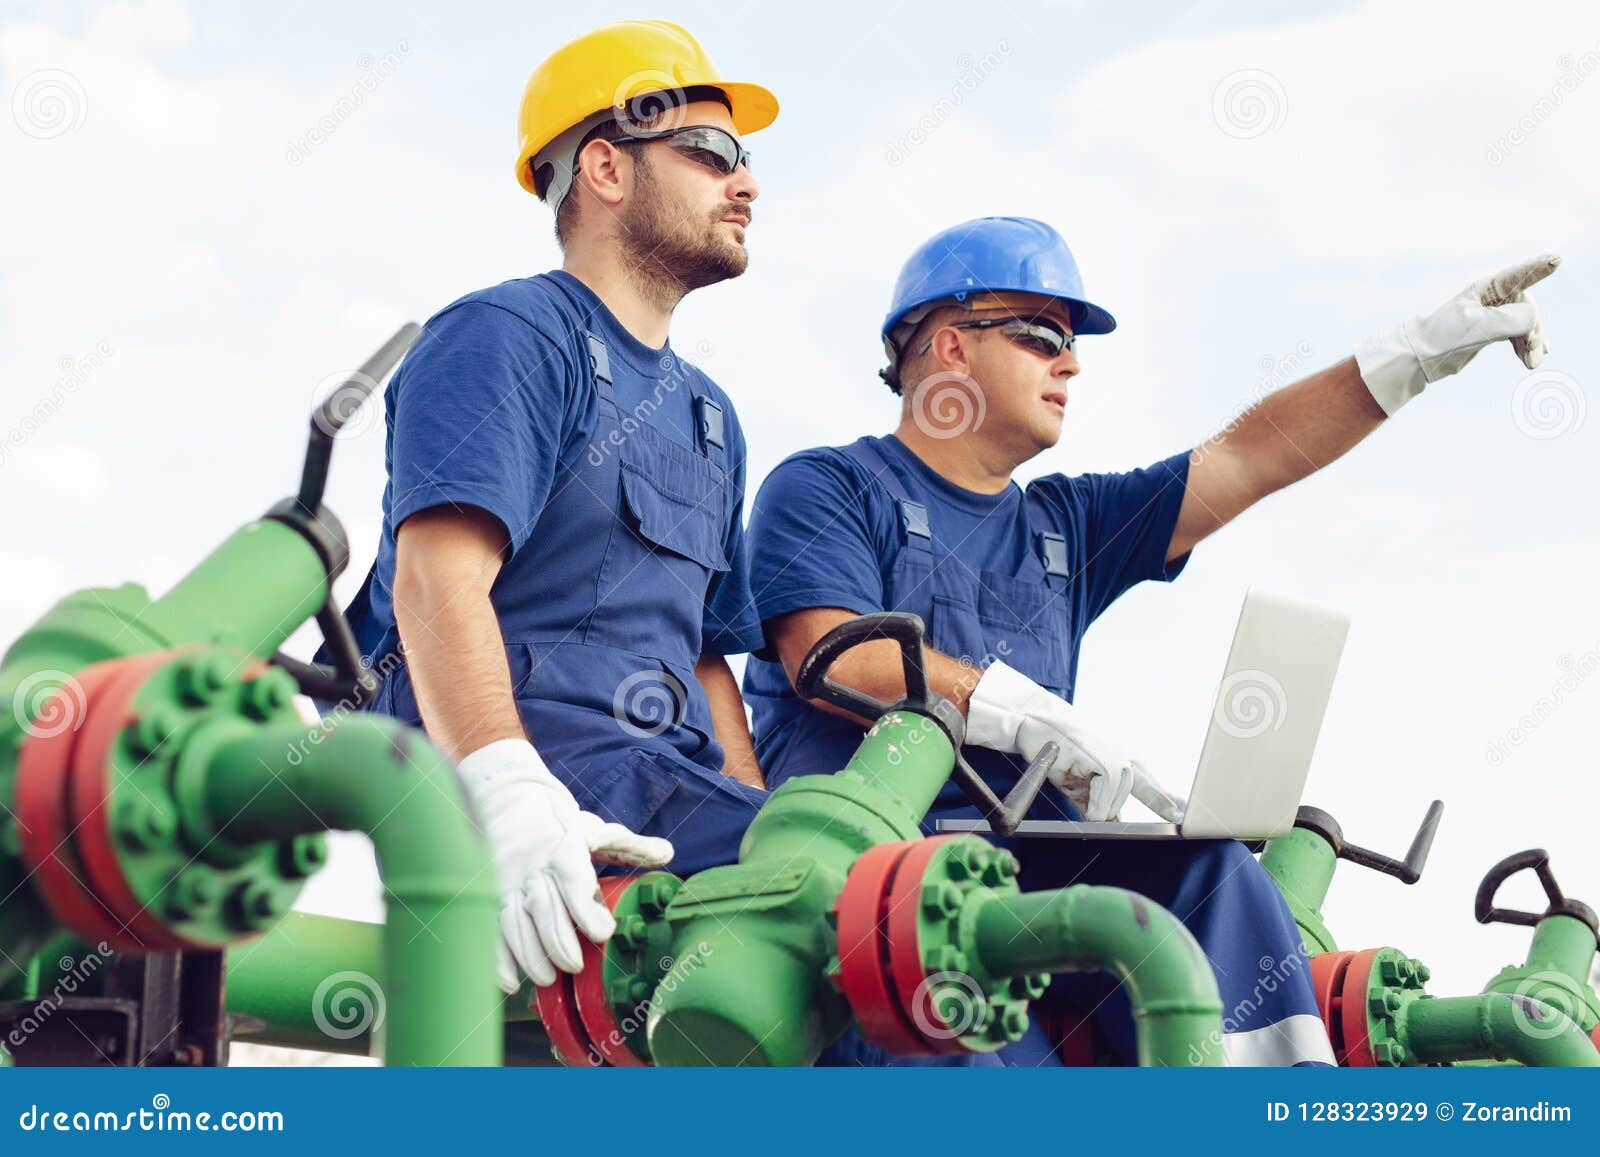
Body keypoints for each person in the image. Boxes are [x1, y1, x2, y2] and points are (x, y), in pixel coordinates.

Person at [743, 216, 1556, 1065]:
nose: (1072, 361)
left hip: (1032, 860)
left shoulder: (1067, 525)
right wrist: (1011, 708)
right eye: (1043, 335)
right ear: (950, 347)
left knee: (1218, 875)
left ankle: (1282, 1109)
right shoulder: (831, 485)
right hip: (890, 881)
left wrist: (1419, 354)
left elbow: (1248, 457)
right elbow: (829, 652)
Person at [331, 21, 778, 997]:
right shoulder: (508, 337)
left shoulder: (712, 417)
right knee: (873, 935)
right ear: (607, 168)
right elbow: (435, 576)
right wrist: (505, 790)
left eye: (745, 161)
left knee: (876, 899)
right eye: (711, 153)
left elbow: (706, 657)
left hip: (672, 787)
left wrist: (767, 828)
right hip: (549, 771)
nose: (745, 183)